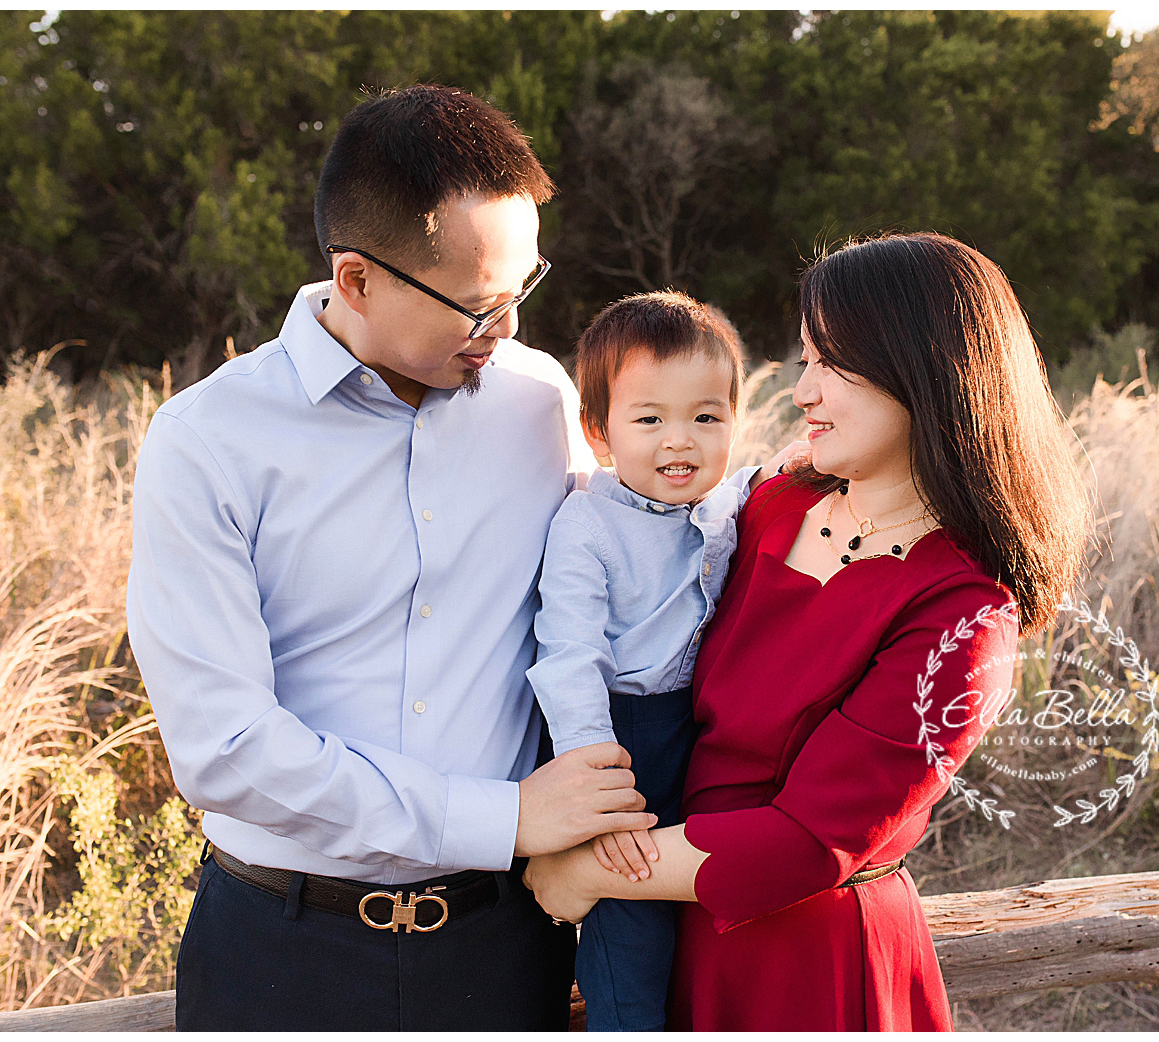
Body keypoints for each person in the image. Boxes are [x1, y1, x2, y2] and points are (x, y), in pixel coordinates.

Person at [126, 84, 659, 1032]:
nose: (510, 331)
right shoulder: (206, 439)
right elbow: (225, 749)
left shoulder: (538, 403)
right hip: (281, 953)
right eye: (480, 306)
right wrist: (501, 819)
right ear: (358, 279)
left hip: (504, 946)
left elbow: (612, 577)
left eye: (524, 289)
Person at [523, 232, 1093, 1030]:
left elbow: (807, 842)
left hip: (806, 962)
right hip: (671, 925)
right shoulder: (770, 509)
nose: (803, 393)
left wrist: (589, 872)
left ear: (923, 370)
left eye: (833, 363)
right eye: (805, 363)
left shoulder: (962, 615)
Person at [527, 291, 791, 1031]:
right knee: (629, 906)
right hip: (618, 735)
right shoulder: (586, 523)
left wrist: (792, 465)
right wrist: (594, 782)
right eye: (649, 420)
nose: (680, 442)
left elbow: (756, 483)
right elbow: (568, 656)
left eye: (706, 418)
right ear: (598, 431)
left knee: (694, 898)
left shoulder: (724, 499)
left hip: (698, 725)